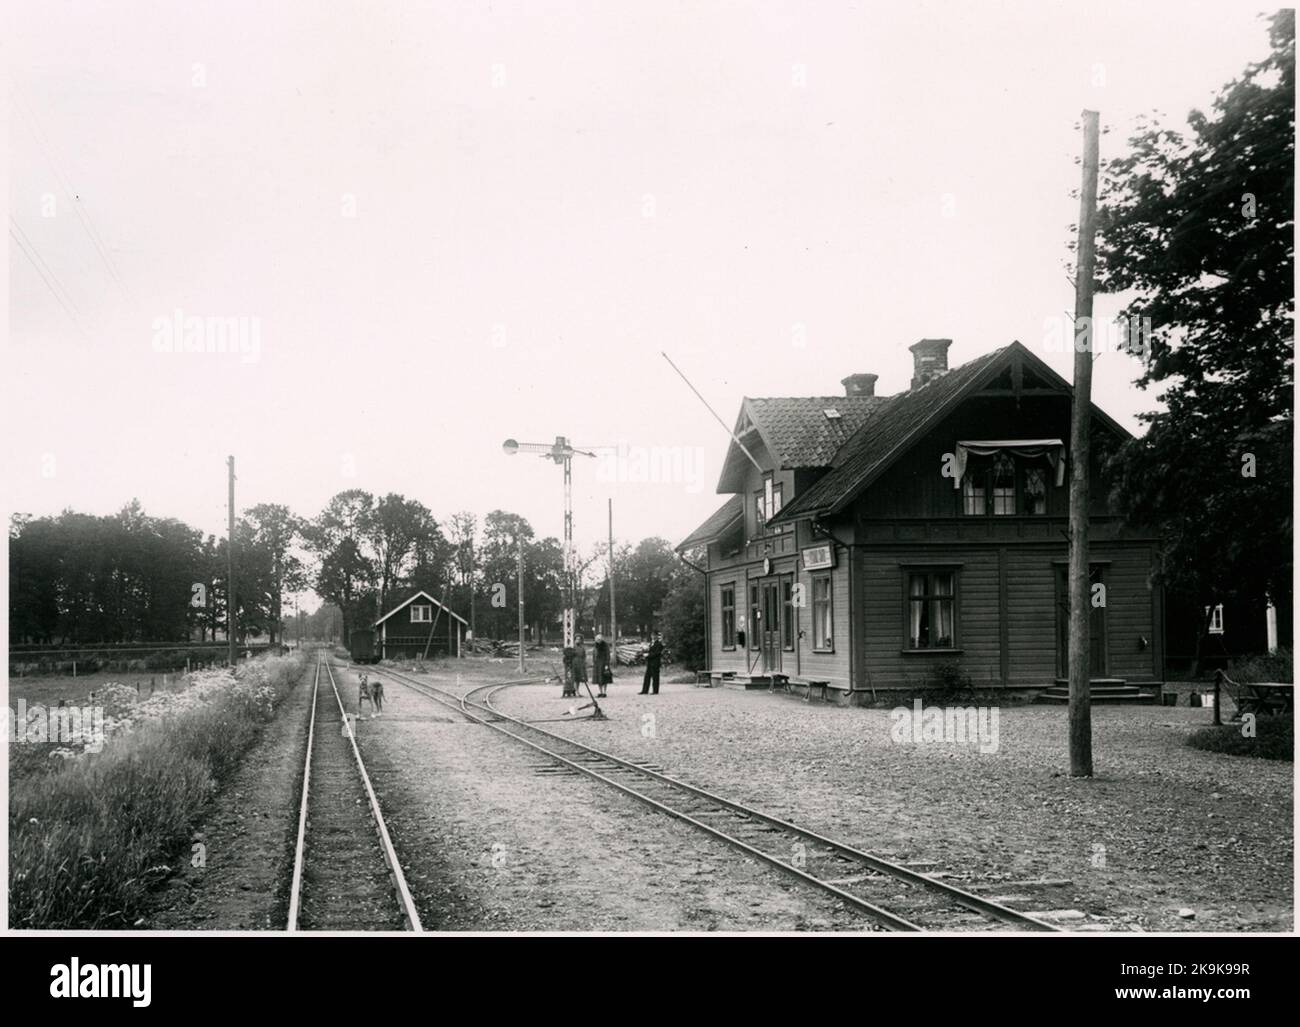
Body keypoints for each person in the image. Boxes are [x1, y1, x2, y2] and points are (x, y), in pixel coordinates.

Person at [592, 634, 612, 698]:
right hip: (597, 664)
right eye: (597, 639)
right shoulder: (595, 646)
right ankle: (600, 692)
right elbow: (594, 654)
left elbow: (608, 655)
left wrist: (607, 664)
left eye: (600, 639)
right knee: (599, 679)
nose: (598, 640)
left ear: (602, 639)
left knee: (605, 678)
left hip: (604, 663)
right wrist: (594, 662)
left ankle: (604, 692)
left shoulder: (605, 646)